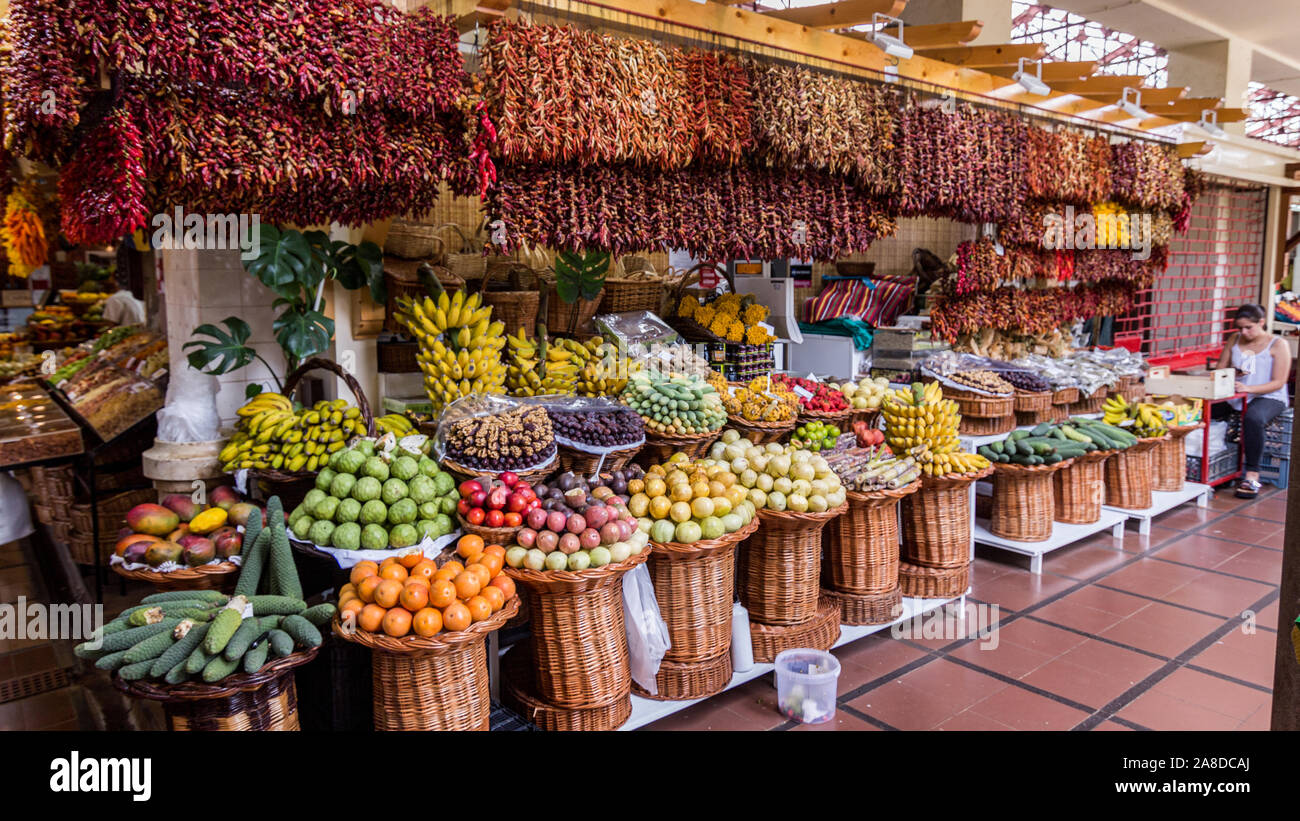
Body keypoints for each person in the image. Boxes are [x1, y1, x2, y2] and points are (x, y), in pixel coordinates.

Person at [1212, 304, 1292, 498]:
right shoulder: (1235, 339)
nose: (1244, 332)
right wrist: (1230, 376)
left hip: (1269, 396)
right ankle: (1216, 467)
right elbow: (1220, 367)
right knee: (1205, 412)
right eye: (1240, 328)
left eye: (1249, 327)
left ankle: (1252, 474)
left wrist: (1249, 388)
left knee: (1253, 418)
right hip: (1236, 394)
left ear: (1261, 322)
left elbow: (1278, 382)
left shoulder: (1278, 344)